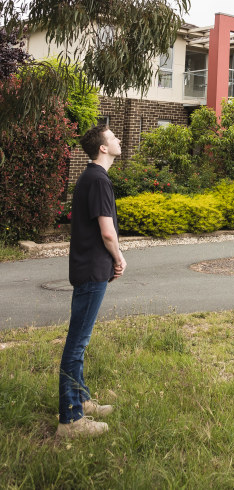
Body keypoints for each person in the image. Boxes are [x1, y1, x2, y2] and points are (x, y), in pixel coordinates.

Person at [56, 125, 127, 439]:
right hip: (91, 271)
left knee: (79, 342)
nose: (118, 139)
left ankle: (82, 400)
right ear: (102, 148)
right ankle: (70, 422)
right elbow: (107, 232)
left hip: (89, 269)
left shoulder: (92, 177)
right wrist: (119, 258)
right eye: (113, 137)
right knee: (77, 344)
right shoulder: (97, 180)